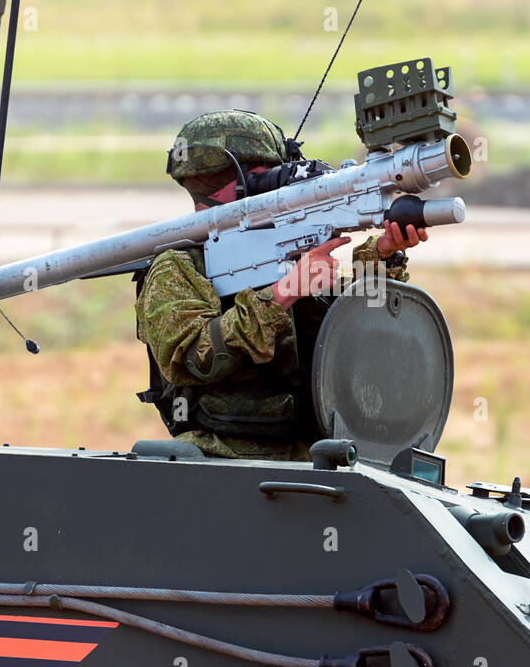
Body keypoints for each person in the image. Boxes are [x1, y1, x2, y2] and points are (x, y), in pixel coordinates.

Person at [134, 110, 427, 460]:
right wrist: (283, 293)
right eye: (264, 179)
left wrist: (382, 256)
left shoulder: (285, 249)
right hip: (222, 461)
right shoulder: (178, 266)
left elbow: (352, 336)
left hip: (314, 456)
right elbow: (194, 358)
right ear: (229, 183)